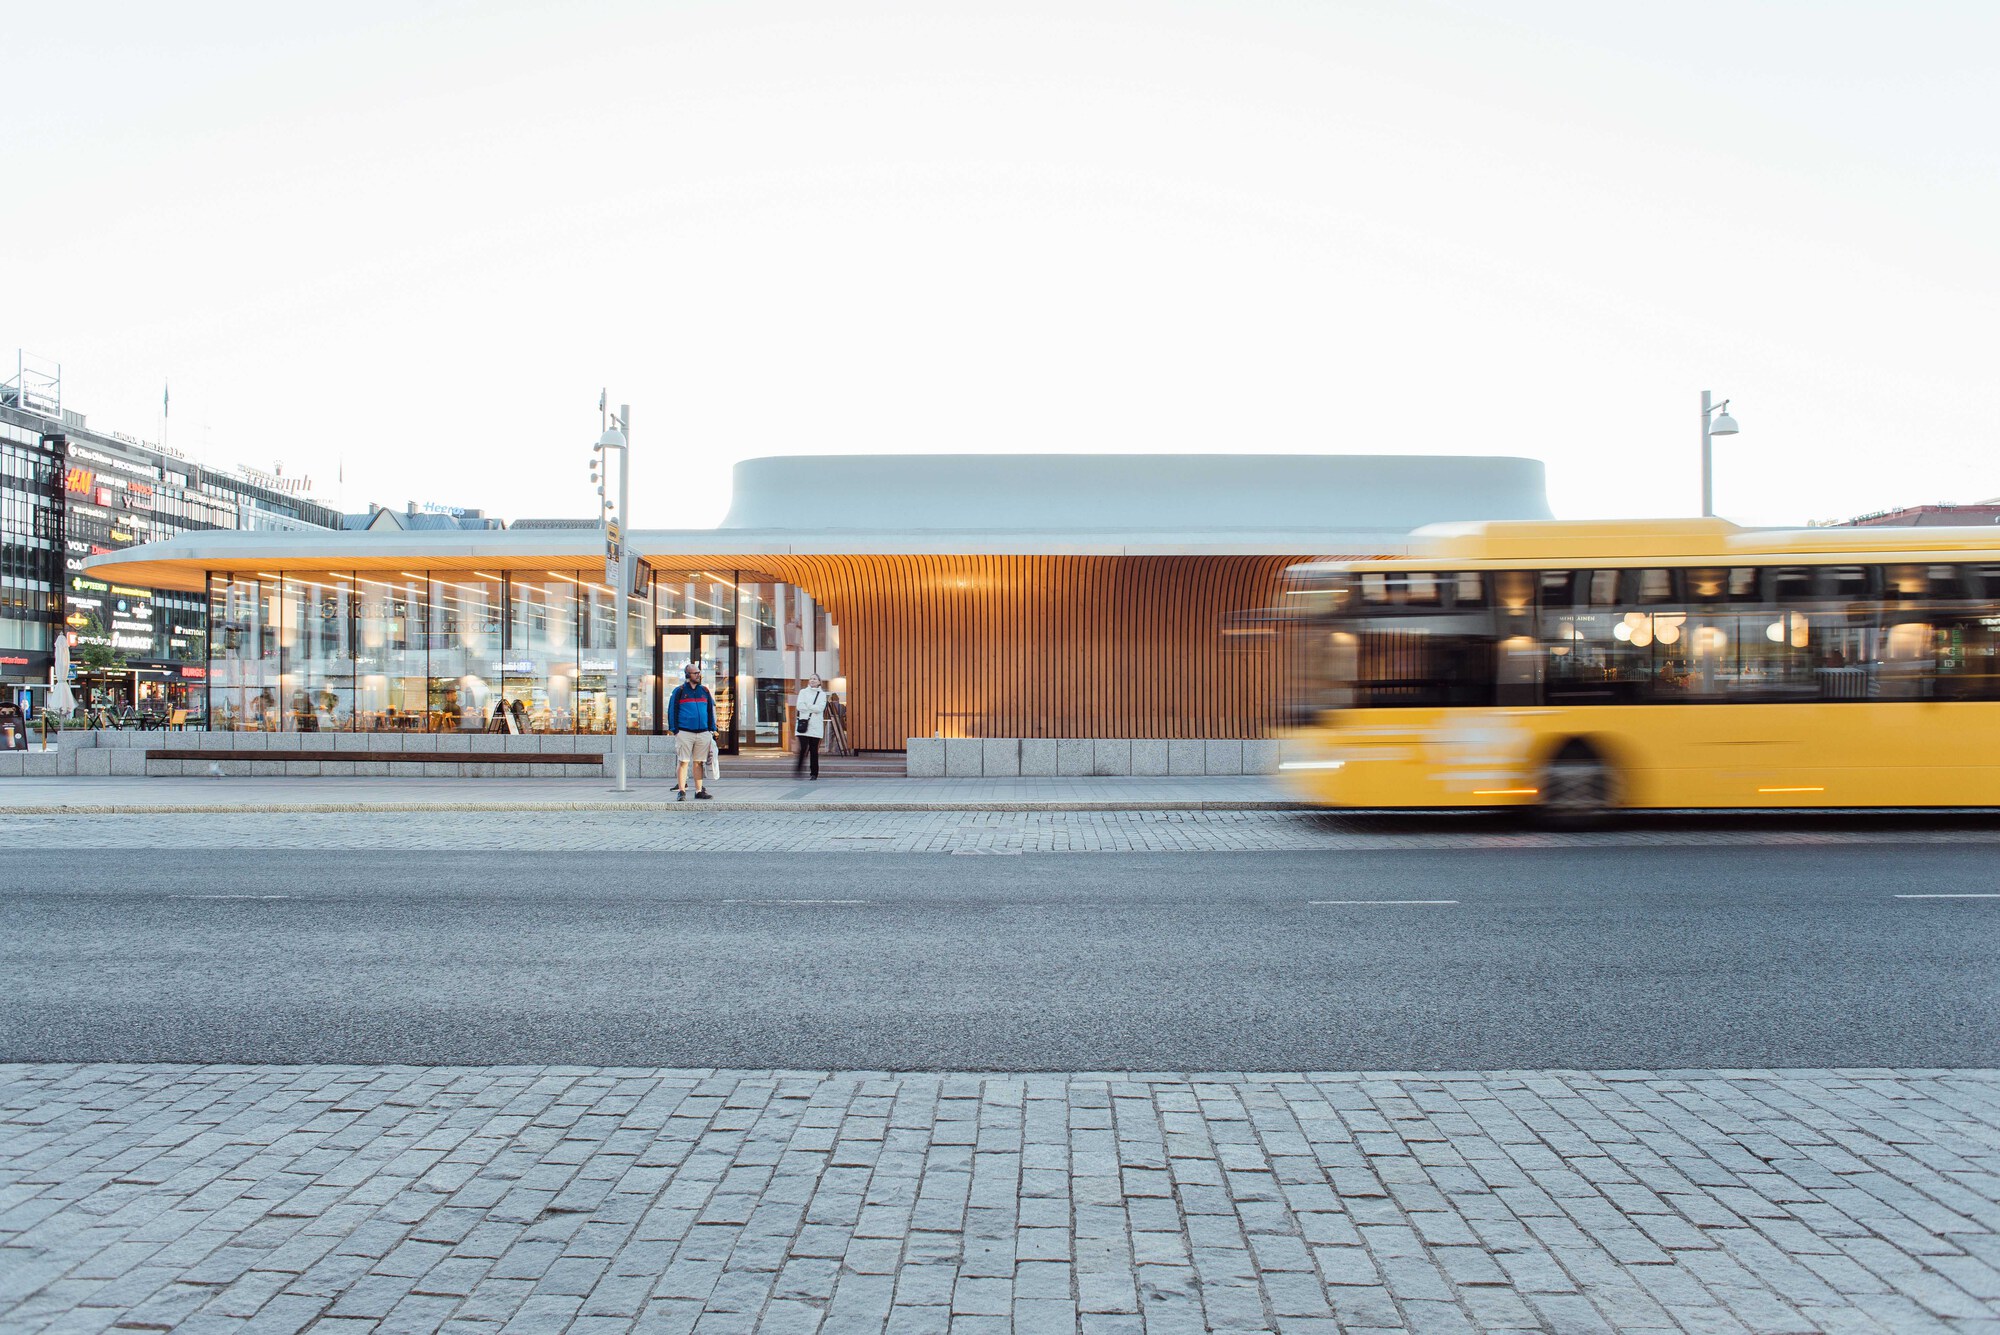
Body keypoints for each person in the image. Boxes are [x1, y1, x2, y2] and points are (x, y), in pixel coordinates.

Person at [666, 662, 719, 800]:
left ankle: (698, 790)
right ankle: (682, 791)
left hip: (703, 732)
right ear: (688, 675)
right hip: (684, 732)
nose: (698, 675)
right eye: (695, 673)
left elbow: (709, 711)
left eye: (699, 672)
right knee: (683, 761)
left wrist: (712, 729)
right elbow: (672, 710)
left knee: (699, 762)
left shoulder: (705, 691)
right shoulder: (680, 691)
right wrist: (675, 730)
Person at [793, 674, 828, 779]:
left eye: (815, 679)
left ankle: (814, 773)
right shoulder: (803, 692)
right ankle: (798, 770)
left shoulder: (822, 694)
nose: (812, 680)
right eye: (811, 679)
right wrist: (812, 707)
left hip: (816, 726)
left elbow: (820, 708)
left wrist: (807, 706)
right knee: (803, 748)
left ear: (819, 682)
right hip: (804, 724)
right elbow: (800, 706)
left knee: (814, 750)